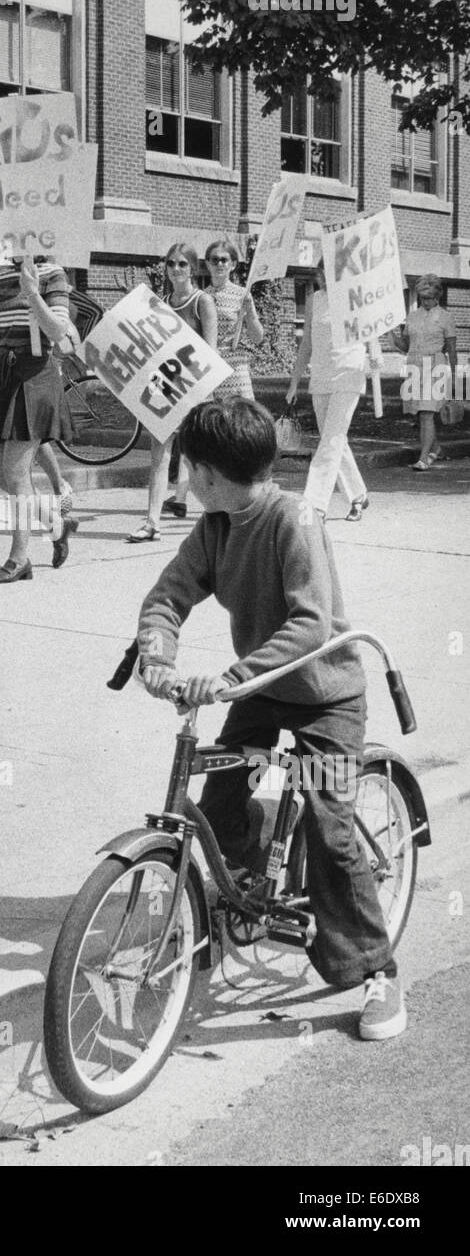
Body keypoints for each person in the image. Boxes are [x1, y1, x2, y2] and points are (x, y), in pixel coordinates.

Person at [137, 398, 406, 1041]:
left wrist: (229, 678)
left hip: (326, 692)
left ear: (205, 473)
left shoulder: (294, 520)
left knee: (329, 824)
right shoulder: (216, 527)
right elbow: (170, 595)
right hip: (260, 688)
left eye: (188, 467)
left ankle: (378, 972)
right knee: (220, 799)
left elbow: (311, 623)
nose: (187, 478)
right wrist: (155, 648)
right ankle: (253, 859)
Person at [0, 257, 77, 581]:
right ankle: (56, 525)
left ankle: (19, 558)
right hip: (5, 376)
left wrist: (34, 293)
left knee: (15, 471)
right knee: (2, 476)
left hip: (36, 376)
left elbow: (58, 329)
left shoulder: (53, 272)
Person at [128, 244, 216, 540]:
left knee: (202, 458)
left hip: (195, 391)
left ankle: (220, 514)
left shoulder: (201, 302)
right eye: (170, 264)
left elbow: (210, 352)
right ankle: (152, 522)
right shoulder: (160, 303)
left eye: (182, 264)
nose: (175, 269)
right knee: (159, 455)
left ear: (193, 268)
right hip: (166, 388)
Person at [287, 263, 369, 521]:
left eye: (331, 272)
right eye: (321, 273)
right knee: (333, 438)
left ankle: (315, 504)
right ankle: (358, 495)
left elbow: (373, 336)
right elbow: (307, 342)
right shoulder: (315, 299)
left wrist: (375, 364)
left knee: (331, 439)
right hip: (321, 375)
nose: (324, 277)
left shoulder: (356, 296)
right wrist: (294, 382)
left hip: (349, 372)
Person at [391, 274, 458, 470]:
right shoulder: (412, 316)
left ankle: (423, 458)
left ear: (438, 296)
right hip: (413, 365)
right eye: (422, 297)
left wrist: (455, 379)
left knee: (427, 413)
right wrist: (391, 334)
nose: (426, 301)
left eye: (430, 297)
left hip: (435, 365)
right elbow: (405, 345)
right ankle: (435, 448)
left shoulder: (446, 317)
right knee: (418, 414)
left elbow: (452, 350)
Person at [205, 239, 265, 401]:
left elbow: (258, 338)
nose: (219, 264)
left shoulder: (242, 295)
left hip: (235, 368)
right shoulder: (201, 297)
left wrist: (251, 312)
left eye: (224, 260)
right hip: (209, 368)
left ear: (232, 264)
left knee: (241, 421)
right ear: (208, 264)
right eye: (214, 259)